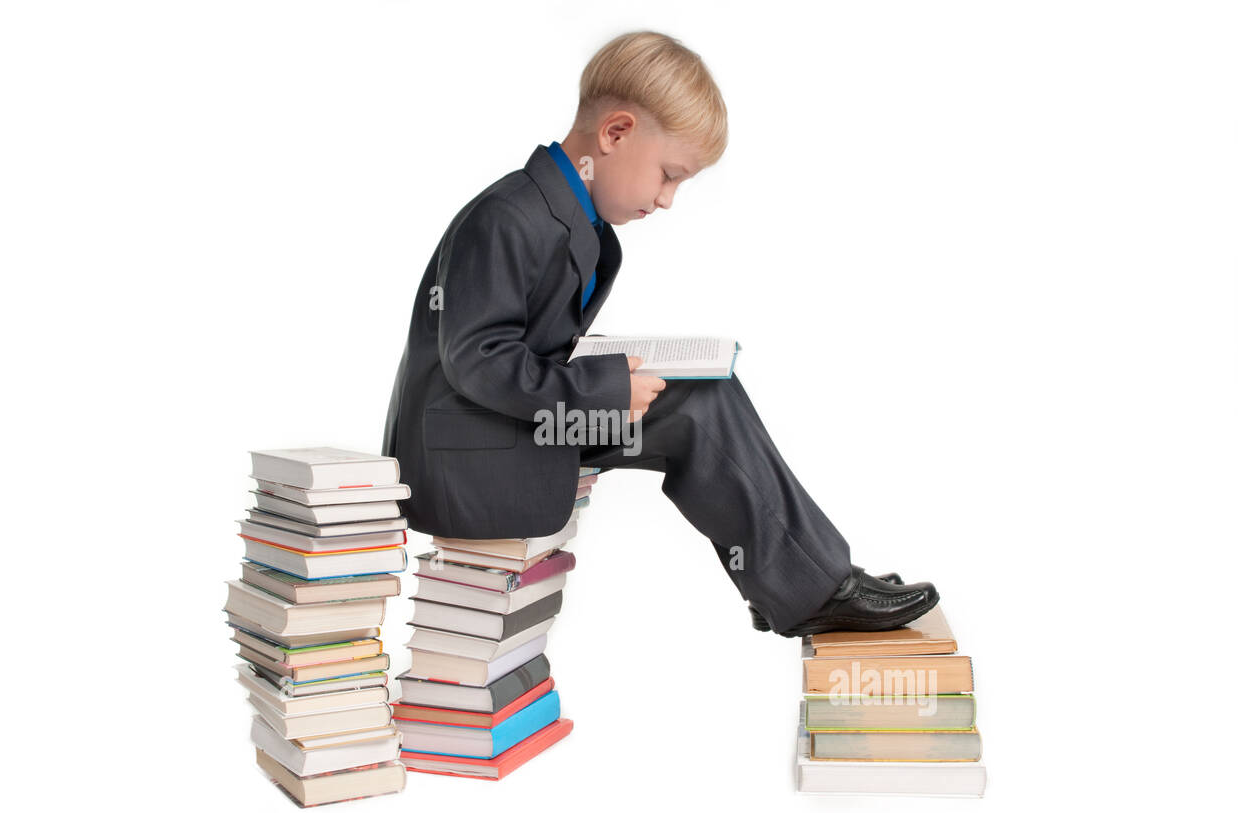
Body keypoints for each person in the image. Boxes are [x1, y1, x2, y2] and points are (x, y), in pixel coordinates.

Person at [382, 30, 937, 638]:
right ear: (615, 134)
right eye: (669, 174)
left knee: (703, 394)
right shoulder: (508, 217)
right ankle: (811, 590)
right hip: (467, 450)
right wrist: (602, 388)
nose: (669, 199)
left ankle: (799, 584)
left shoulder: (576, 223)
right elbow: (478, 360)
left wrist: (607, 377)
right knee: (692, 405)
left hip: (513, 420)